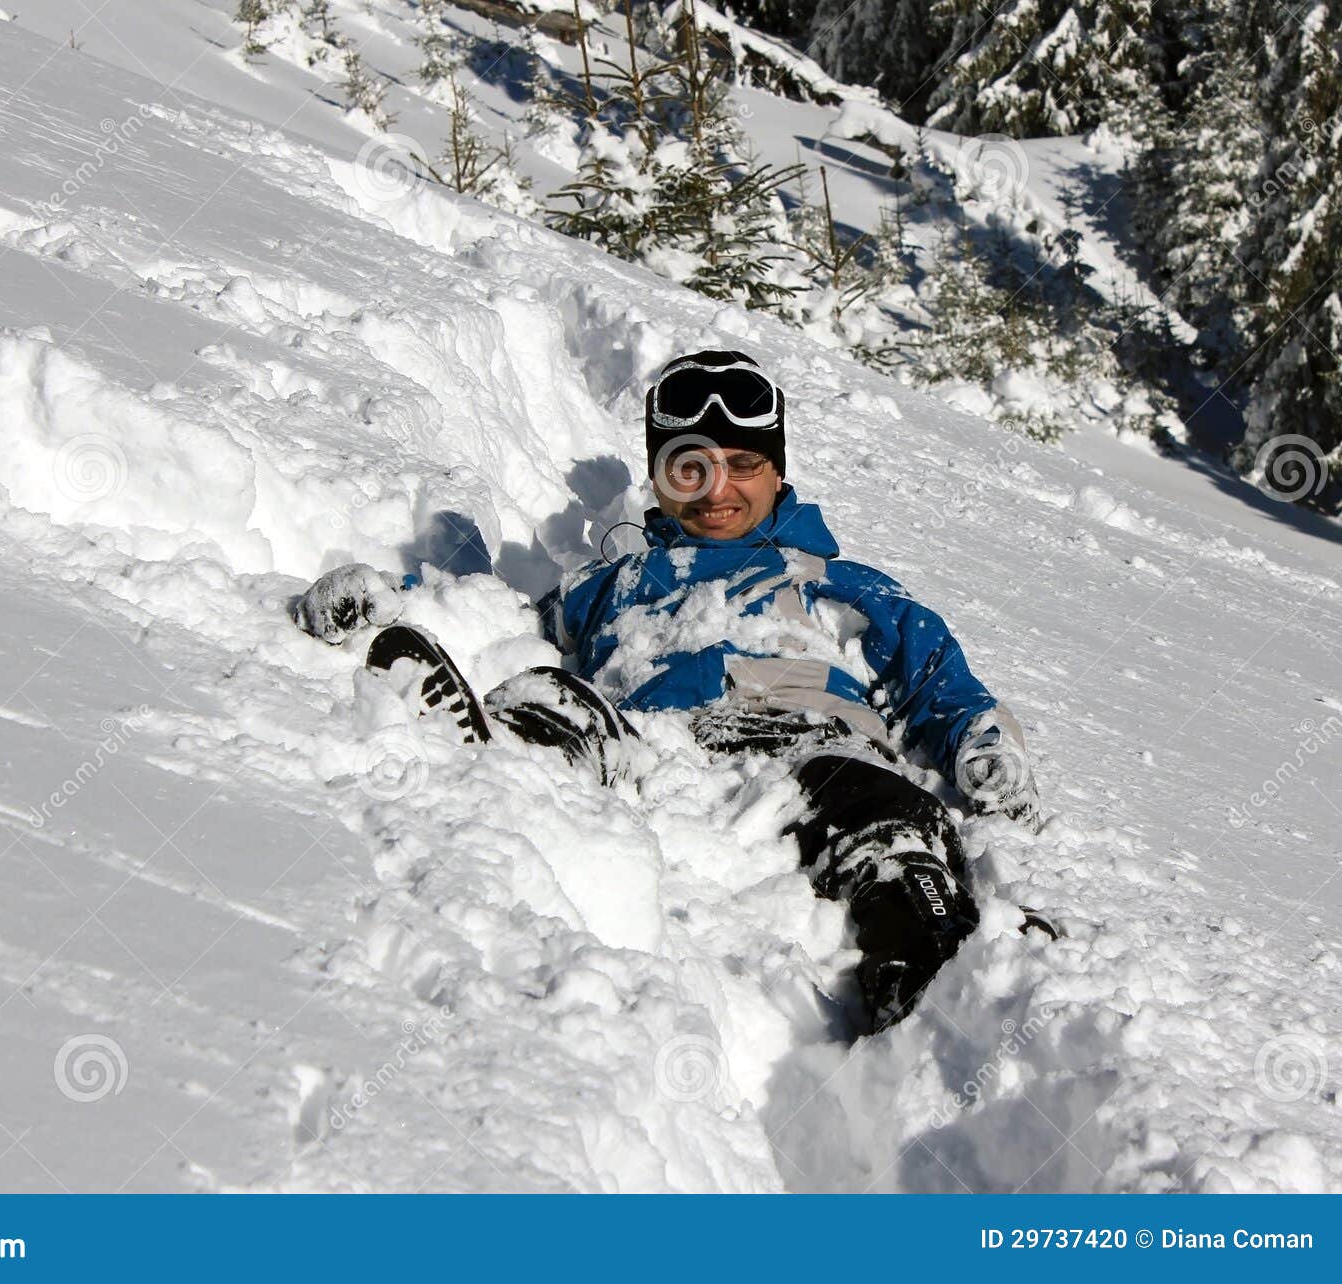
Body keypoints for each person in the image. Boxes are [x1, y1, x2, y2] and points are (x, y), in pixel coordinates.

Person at [295, 350, 1043, 1034]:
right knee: (553, 696)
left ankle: (919, 946)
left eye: (744, 463)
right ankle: (488, 768)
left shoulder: (841, 584)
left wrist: (985, 745)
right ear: (657, 476)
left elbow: (938, 682)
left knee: (874, 805)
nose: (717, 489)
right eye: (690, 467)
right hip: (657, 749)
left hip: (810, 742)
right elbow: (492, 617)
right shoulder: (608, 585)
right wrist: (387, 602)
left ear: (778, 473)